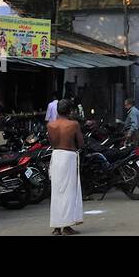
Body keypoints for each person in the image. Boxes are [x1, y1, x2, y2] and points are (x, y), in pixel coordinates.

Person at [47, 97, 86, 235]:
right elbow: (81, 143)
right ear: (69, 111)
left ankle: (57, 228)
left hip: (56, 156)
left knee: (56, 192)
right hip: (69, 156)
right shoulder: (73, 124)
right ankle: (67, 226)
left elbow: (52, 143)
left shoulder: (50, 125)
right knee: (69, 192)